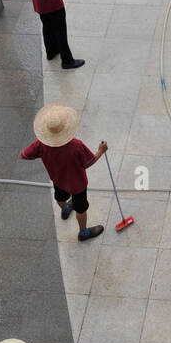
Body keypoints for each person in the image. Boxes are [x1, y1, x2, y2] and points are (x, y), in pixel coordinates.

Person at [20, 103, 107, 241]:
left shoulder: (41, 144)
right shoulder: (76, 146)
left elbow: (23, 155)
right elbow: (88, 162)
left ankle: (66, 208)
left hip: (58, 180)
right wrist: (101, 151)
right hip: (77, 185)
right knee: (81, 208)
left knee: (60, 197)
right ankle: (83, 233)